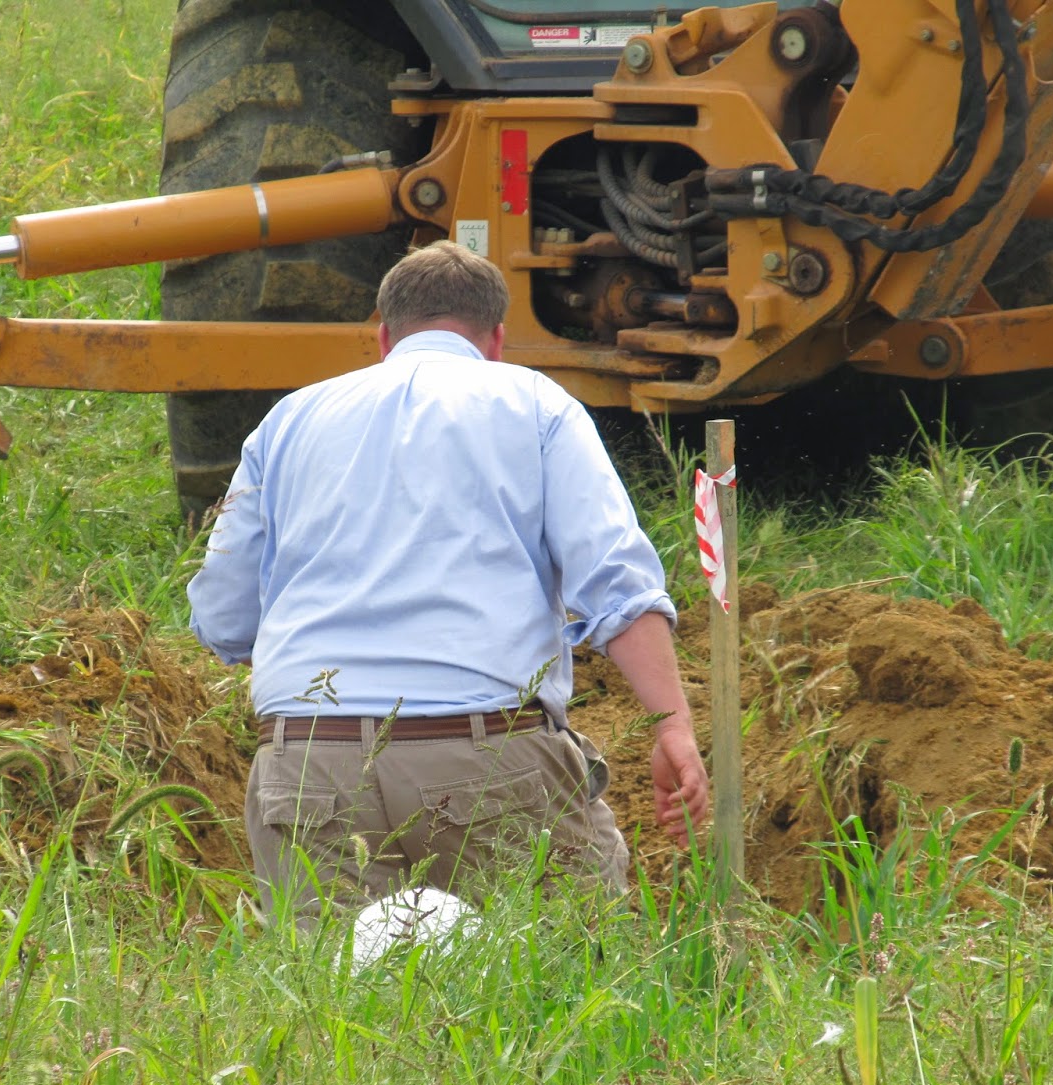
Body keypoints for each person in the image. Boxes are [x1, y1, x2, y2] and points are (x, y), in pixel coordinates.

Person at [188, 240, 709, 921]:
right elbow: (617, 583)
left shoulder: (287, 422)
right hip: (491, 758)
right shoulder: (535, 405)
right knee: (572, 976)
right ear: (496, 339)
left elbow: (224, 618)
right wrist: (673, 728)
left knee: (330, 1014)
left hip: (311, 765)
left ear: (382, 336)